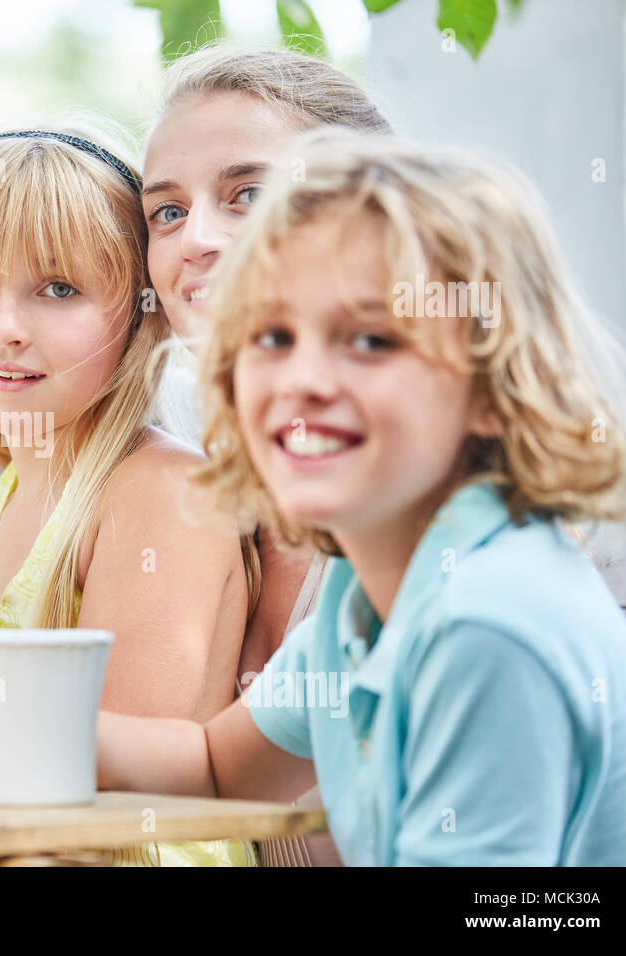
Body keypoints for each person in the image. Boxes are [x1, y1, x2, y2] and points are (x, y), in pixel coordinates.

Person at [0, 131, 626, 864]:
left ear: (493, 389)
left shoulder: (485, 625)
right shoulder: (366, 594)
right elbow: (213, 764)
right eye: (273, 338)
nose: (303, 381)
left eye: (372, 340)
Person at [0, 122, 251, 864]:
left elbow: (111, 782)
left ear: (143, 315)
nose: (6, 327)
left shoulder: (158, 496)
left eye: (58, 289)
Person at [140, 42, 394, 865]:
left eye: (247, 193)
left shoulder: (436, 537)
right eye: (166, 212)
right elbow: (216, 770)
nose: (197, 240)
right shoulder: (179, 460)